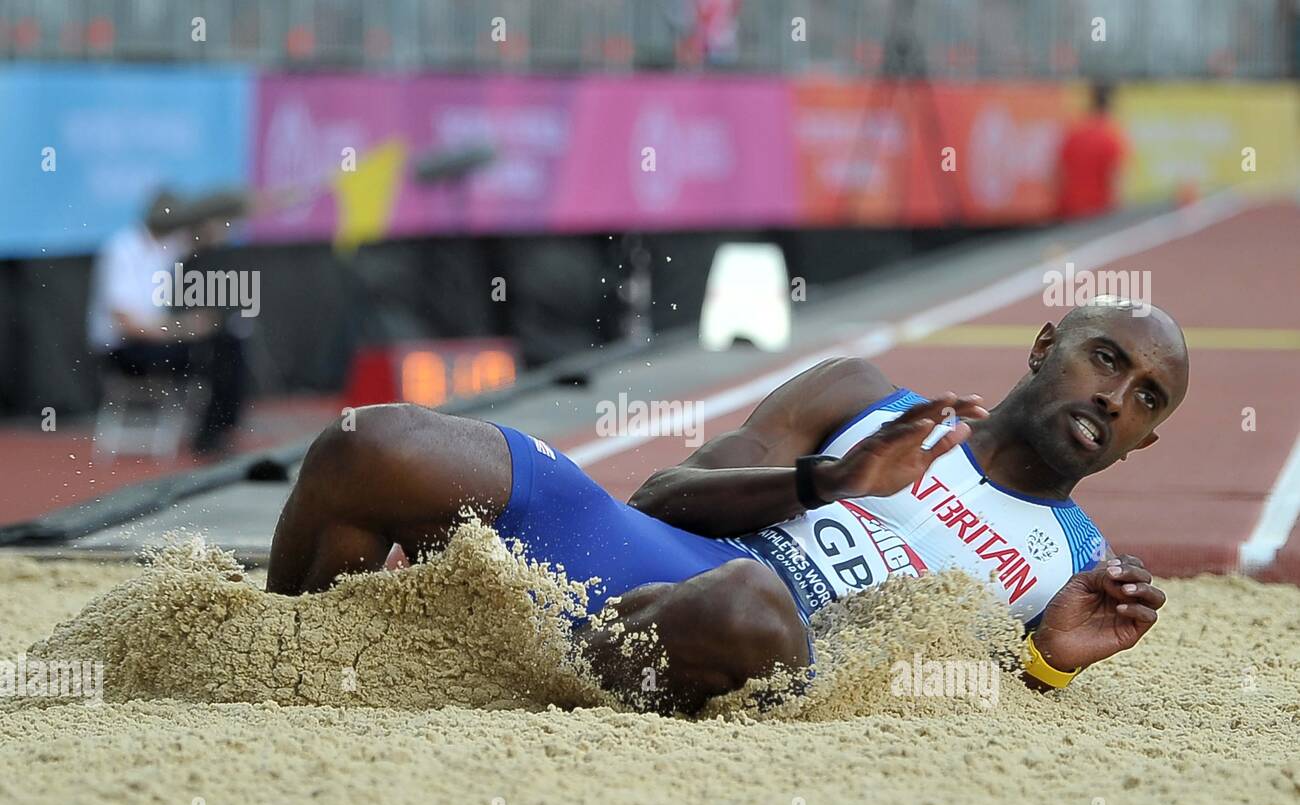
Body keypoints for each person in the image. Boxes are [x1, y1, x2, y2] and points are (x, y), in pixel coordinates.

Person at [267, 296, 1187, 712]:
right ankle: (269, 650)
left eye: (1147, 397)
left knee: (746, 601)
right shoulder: (862, 398)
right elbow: (662, 496)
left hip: (757, 643)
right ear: (1043, 346)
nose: (1116, 396)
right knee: (371, 443)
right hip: (635, 553)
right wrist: (829, 480)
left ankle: (511, 667)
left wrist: (1045, 668)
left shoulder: (1077, 567)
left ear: (1146, 440)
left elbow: (942, 689)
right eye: (1107, 358)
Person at [86, 189, 249, 454]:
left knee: (229, 338)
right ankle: (210, 436)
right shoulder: (122, 250)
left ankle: (219, 429)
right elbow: (126, 323)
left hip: (160, 337)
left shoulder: (167, 245)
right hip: (127, 349)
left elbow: (207, 234)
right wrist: (184, 328)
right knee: (213, 348)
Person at [1057, 82, 1128, 220]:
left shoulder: (1074, 132)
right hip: (1099, 213)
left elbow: (1057, 175)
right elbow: (1114, 180)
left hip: (1069, 210)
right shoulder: (1113, 136)